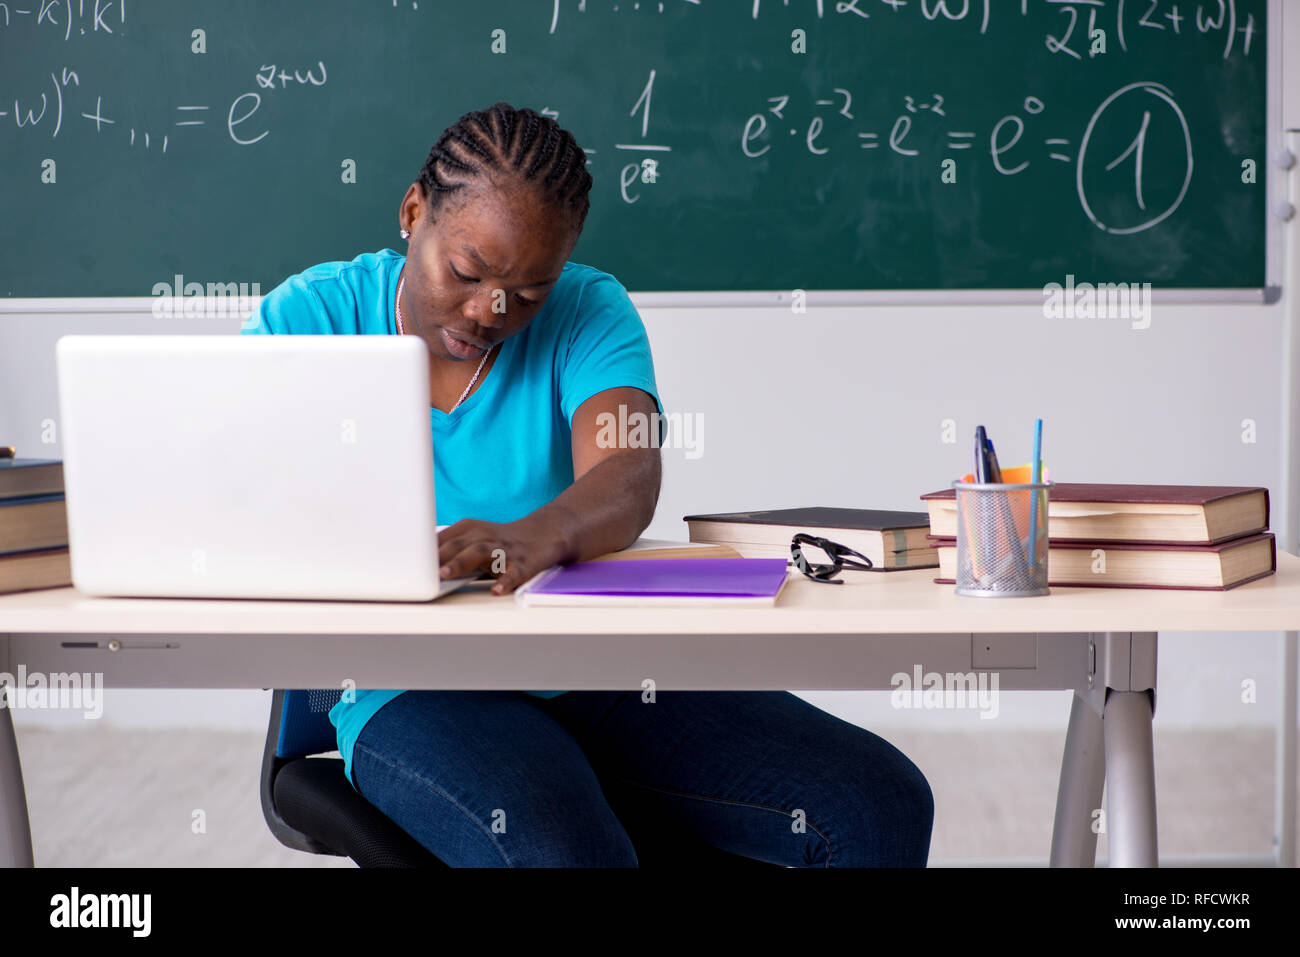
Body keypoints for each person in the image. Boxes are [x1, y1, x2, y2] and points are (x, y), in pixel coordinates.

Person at [245, 102, 934, 867]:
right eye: (466, 273)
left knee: (876, 804)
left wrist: (535, 536)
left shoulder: (588, 309)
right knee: (566, 851)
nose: (489, 311)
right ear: (413, 212)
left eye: (528, 292)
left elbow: (627, 468)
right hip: (412, 687)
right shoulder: (308, 319)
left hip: (598, 668)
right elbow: (233, 486)